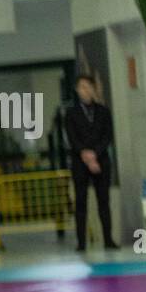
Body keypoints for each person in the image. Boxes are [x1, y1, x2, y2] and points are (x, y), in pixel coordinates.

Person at [64, 73, 119, 251]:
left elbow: (107, 136)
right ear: (77, 90)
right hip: (80, 163)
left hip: (101, 161)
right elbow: (72, 138)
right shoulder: (71, 113)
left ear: (94, 89)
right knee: (81, 202)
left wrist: (95, 154)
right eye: (81, 87)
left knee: (104, 201)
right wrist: (85, 156)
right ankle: (81, 243)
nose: (84, 91)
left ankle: (108, 240)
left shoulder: (103, 112)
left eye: (87, 87)